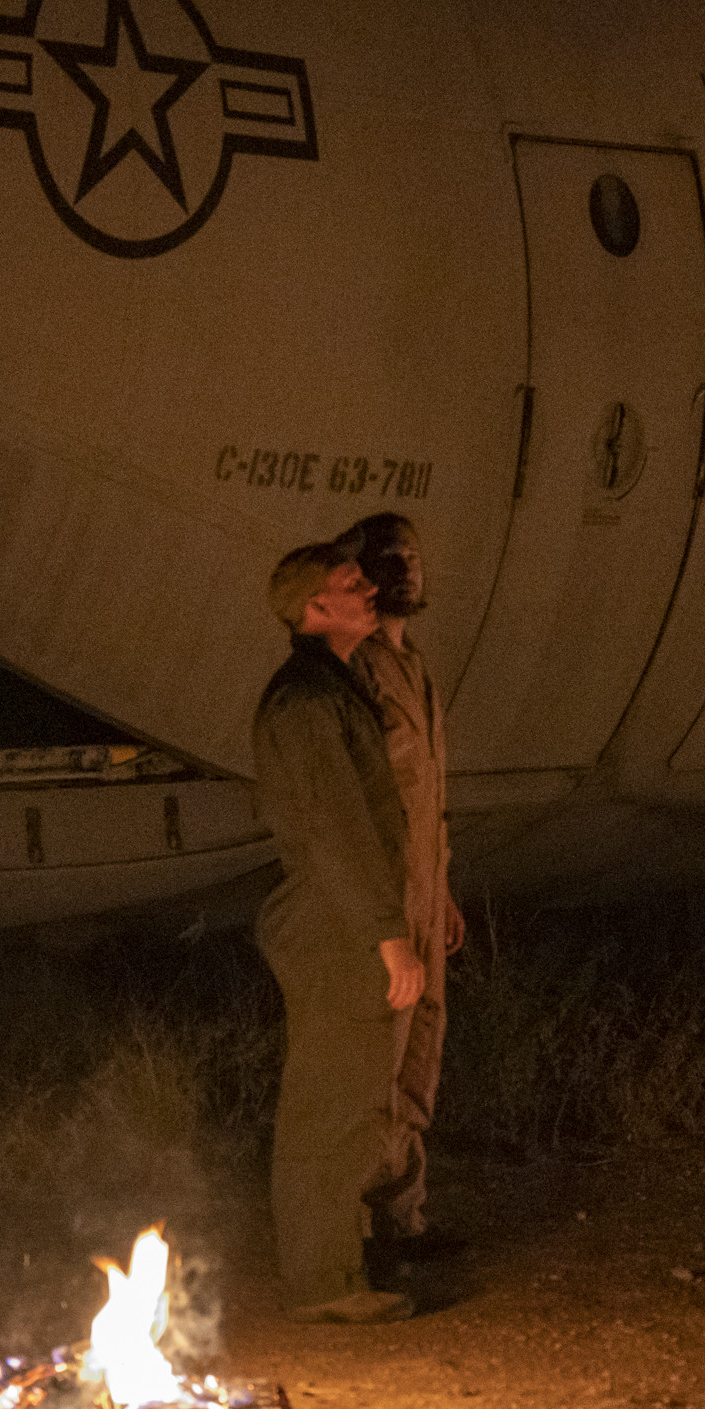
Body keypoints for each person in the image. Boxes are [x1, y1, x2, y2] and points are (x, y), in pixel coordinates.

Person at [254, 532, 424, 1325]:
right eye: (352, 584)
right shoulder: (309, 700)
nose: (369, 590)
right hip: (334, 929)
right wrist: (388, 934)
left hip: (338, 923)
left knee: (348, 1099)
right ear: (317, 610)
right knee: (329, 1105)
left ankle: (337, 1269)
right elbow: (336, 832)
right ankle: (324, 1281)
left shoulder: (330, 687)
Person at [346, 511, 464, 1266]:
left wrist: (443, 889)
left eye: (416, 557)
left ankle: (404, 1221)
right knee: (376, 1062)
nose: (409, 571)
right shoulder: (357, 671)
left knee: (420, 1056)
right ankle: (356, 1232)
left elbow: (429, 797)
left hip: (425, 893)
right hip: (389, 896)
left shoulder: (414, 666)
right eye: (393, 559)